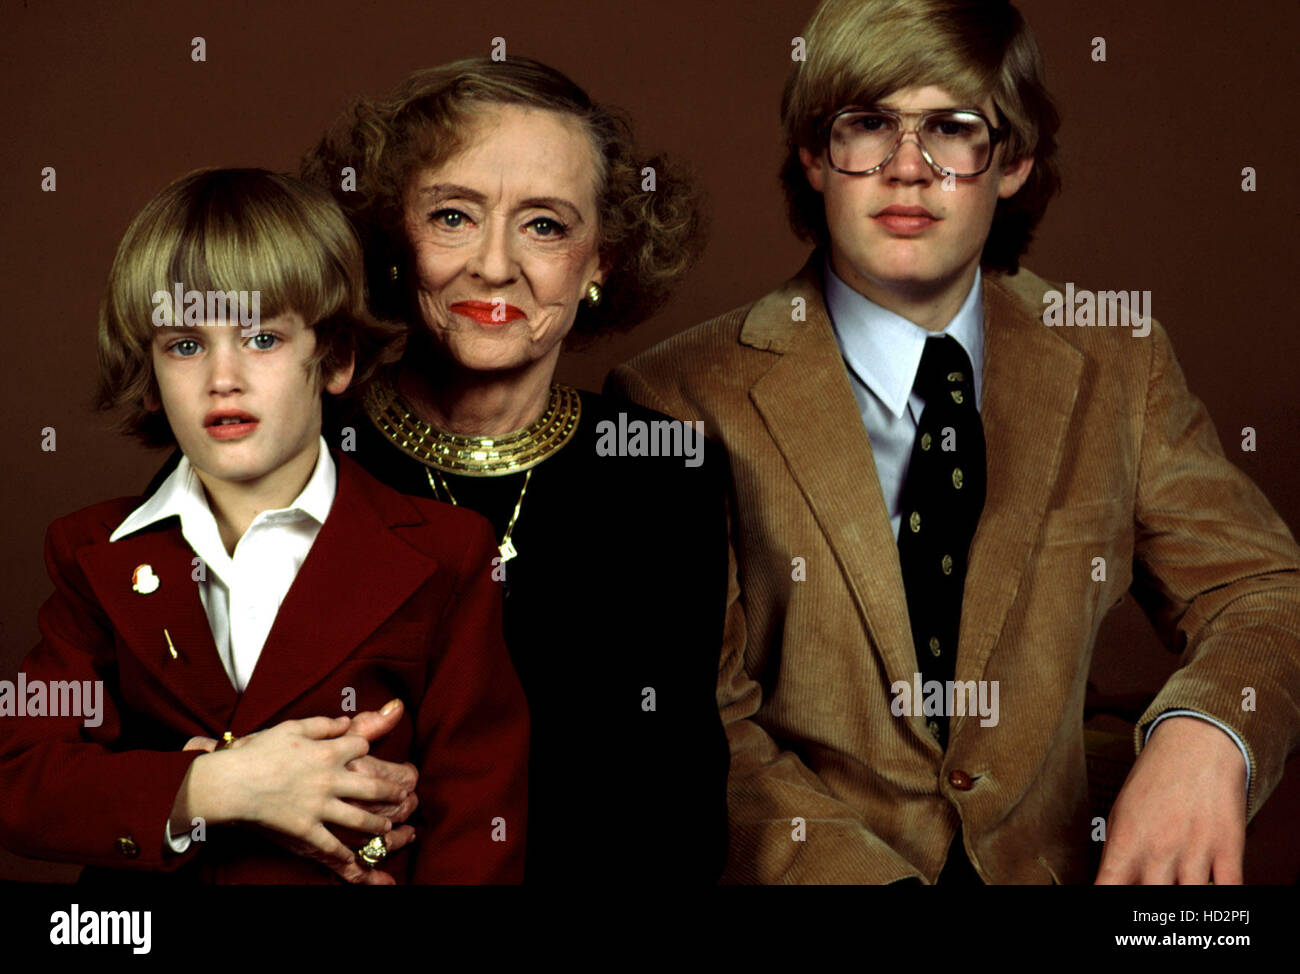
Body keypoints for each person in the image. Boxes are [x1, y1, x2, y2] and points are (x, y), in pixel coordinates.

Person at [606, 0, 1300, 884]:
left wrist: (1209, 730)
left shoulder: (1116, 359)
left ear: (1011, 162)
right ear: (815, 157)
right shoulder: (675, 394)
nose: (907, 168)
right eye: (867, 126)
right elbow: (699, 722)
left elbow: (1263, 590)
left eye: (952, 128)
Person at [0, 168, 529, 884]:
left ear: (335, 358)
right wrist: (218, 786)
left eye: (261, 337)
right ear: (151, 375)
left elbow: (478, 823)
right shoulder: (95, 553)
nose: (224, 377)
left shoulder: (445, 552)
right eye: (185, 345)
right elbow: (20, 776)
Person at [301, 56, 731, 883]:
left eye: (545, 225)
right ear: (396, 234)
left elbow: (675, 794)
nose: (493, 267)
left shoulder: (666, 472)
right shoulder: (295, 444)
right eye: (454, 216)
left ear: (601, 260)